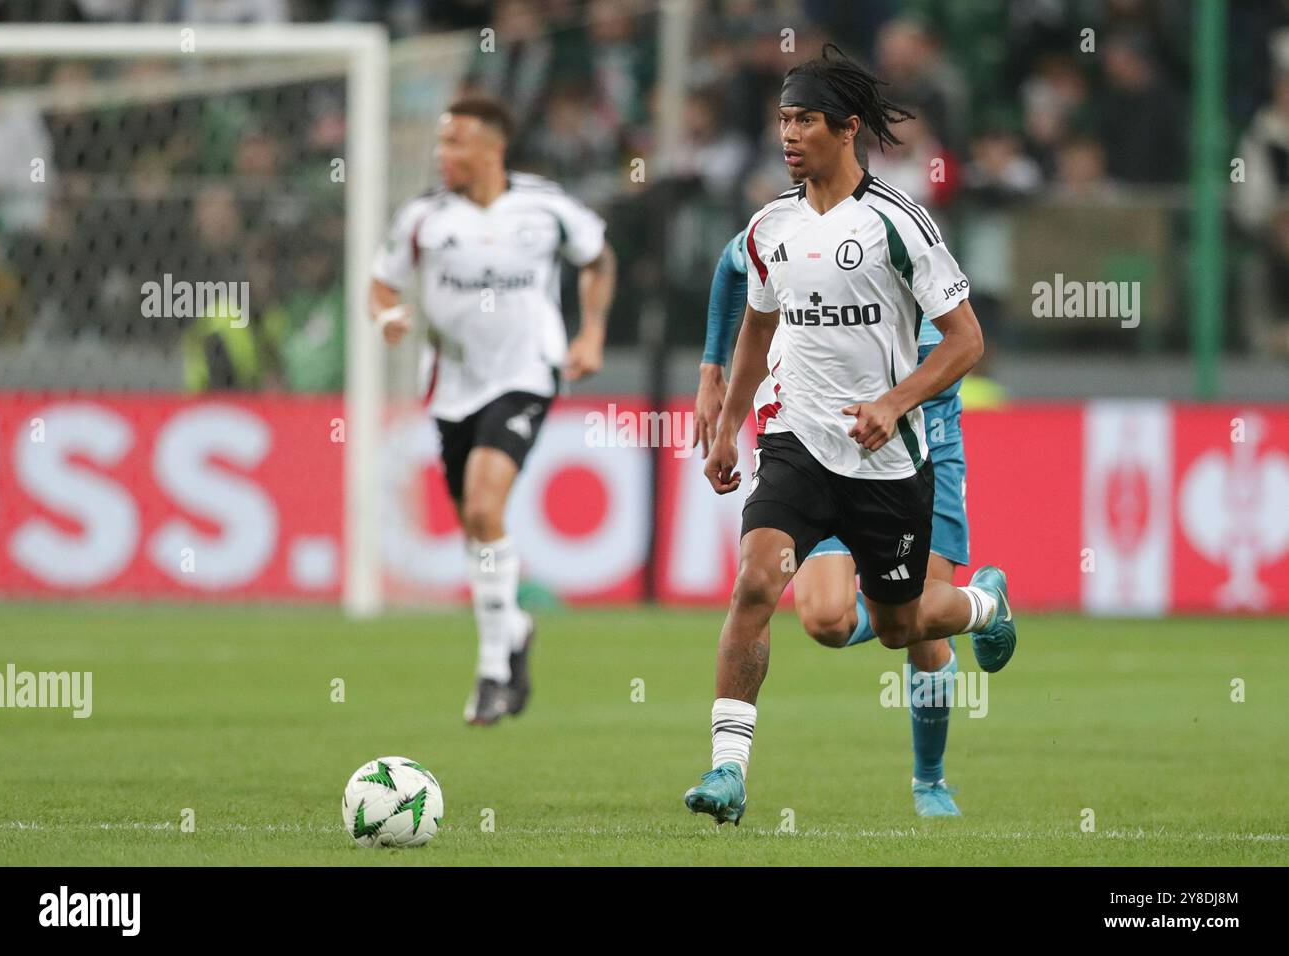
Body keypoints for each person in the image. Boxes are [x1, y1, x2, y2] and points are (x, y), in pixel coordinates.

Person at [684, 46, 1015, 826]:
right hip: (798, 442)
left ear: (848, 129)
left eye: (803, 121)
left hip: (891, 452)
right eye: (783, 121)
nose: (788, 136)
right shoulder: (771, 226)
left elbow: (967, 341)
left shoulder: (899, 223)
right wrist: (727, 422)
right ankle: (728, 772)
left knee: (904, 627)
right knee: (765, 587)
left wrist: (895, 402)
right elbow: (755, 321)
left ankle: (978, 610)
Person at [369, 96, 616, 725]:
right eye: (440, 143)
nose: (441, 154)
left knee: (484, 507)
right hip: (451, 385)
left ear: (490, 149)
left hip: (524, 374)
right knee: (475, 525)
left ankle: (490, 671)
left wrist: (589, 334)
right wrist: (389, 314)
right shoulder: (424, 216)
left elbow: (597, 257)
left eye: (454, 143)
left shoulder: (544, 206)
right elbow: (382, 280)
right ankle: (515, 626)